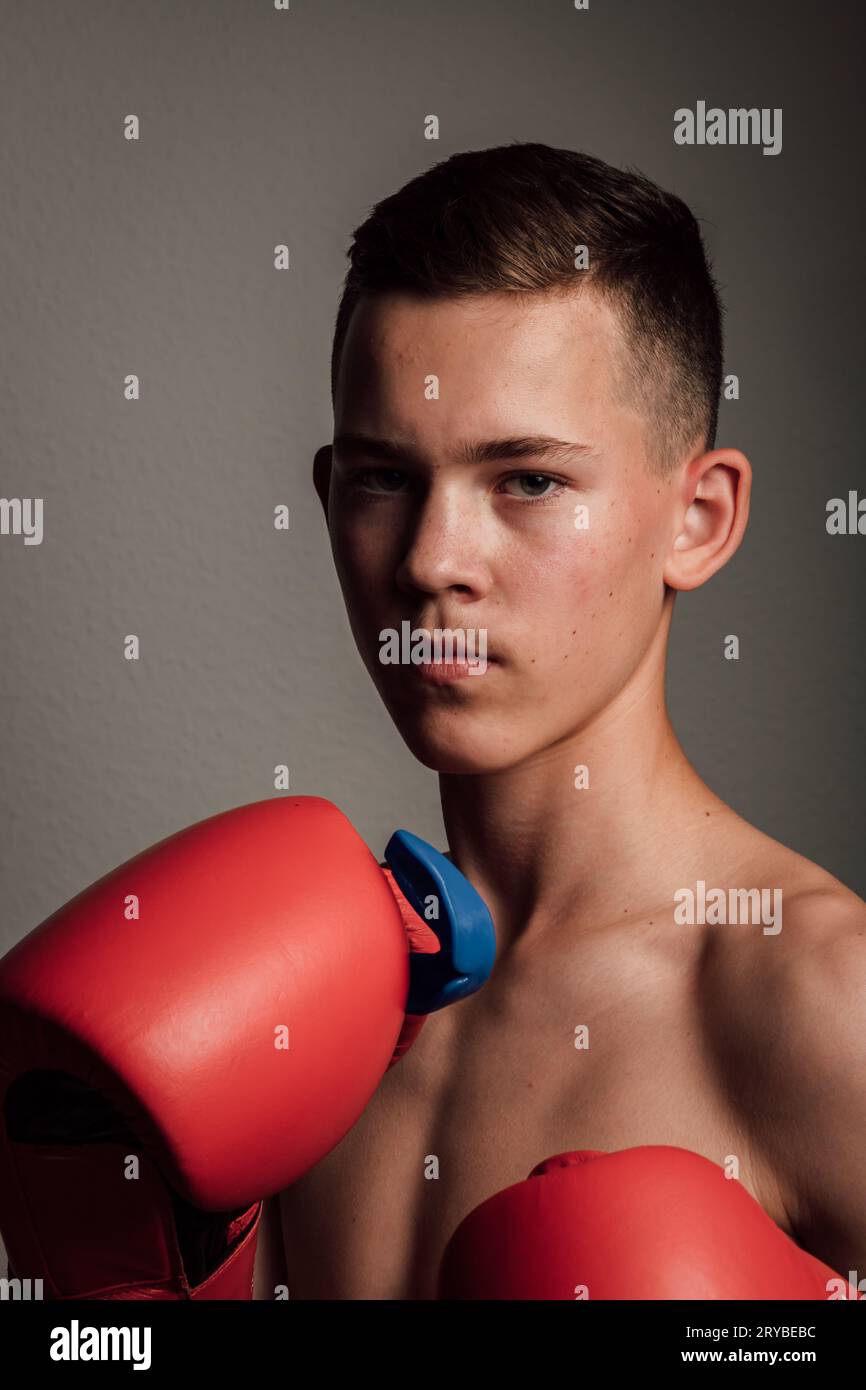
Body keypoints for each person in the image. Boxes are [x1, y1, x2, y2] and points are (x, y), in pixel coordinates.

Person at [256, 142, 866, 1299]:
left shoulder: (817, 1000)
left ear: (697, 518)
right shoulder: (306, 1013)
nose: (433, 562)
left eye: (525, 480)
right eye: (384, 478)